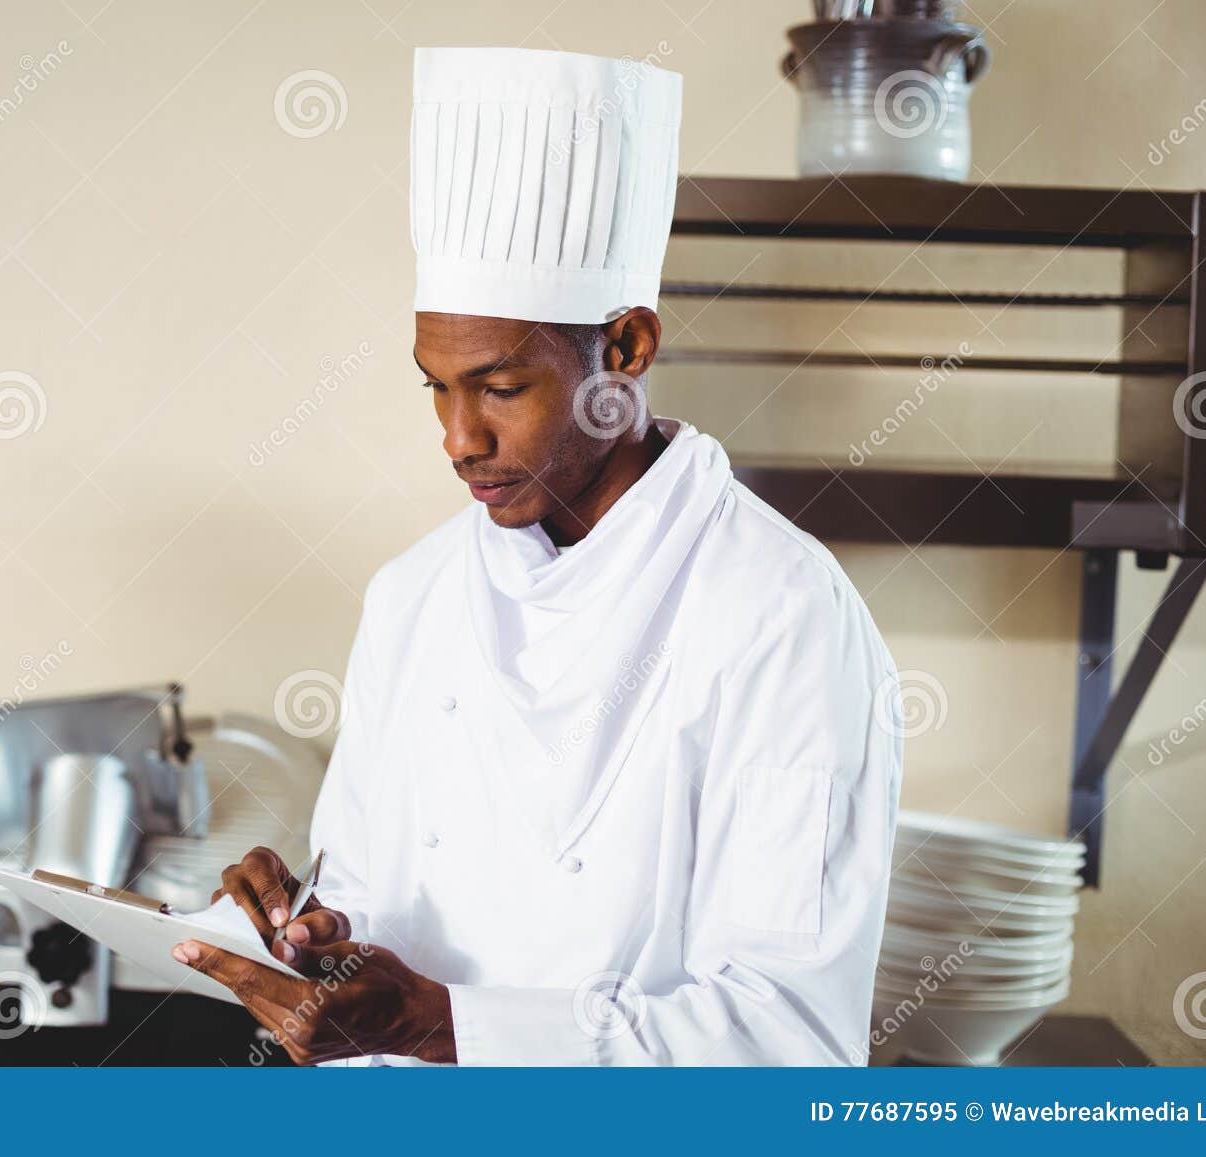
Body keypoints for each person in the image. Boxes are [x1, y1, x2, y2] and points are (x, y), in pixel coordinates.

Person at [171, 45, 903, 1066]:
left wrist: (450, 1023)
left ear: (627, 349)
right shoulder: (413, 595)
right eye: (435, 386)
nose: (458, 437)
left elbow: (789, 1035)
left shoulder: (778, 610)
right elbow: (377, 905)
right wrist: (305, 928)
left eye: (500, 386)